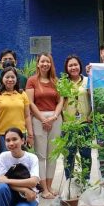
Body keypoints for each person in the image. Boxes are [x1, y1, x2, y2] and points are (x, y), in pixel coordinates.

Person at [26, 53, 64, 198]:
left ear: (51, 64)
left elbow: (61, 101)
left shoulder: (56, 81)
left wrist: (54, 116)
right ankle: (44, 189)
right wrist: (42, 118)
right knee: (41, 155)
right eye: (42, 61)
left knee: (52, 155)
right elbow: (30, 102)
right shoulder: (32, 81)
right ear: (38, 63)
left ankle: (50, 185)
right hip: (38, 118)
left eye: (48, 61)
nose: (45, 64)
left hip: (55, 118)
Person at [0, 128, 39, 206]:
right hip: (13, 195)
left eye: (15, 139)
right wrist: (24, 188)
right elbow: (1, 181)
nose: (11, 143)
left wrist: (7, 180)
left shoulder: (32, 158)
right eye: (8, 140)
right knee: (0, 188)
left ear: (22, 140)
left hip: (28, 197)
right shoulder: (3, 156)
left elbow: (33, 182)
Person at [61, 55, 92, 181]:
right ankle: (70, 182)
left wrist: (92, 116)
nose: (73, 67)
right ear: (67, 68)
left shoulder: (87, 81)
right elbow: (60, 102)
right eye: (70, 65)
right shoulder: (63, 83)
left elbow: (93, 98)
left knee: (85, 154)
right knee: (69, 155)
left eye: (75, 65)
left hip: (85, 123)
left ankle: (86, 181)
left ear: (80, 66)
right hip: (69, 125)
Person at [0, 67, 33, 155]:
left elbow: (27, 116)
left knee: (19, 161)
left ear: (17, 79)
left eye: (13, 77)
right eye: (7, 77)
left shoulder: (22, 94)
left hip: (20, 133)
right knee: (4, 161)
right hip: (2, 135)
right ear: (2, 79)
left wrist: (30, 135)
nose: (10, 79)